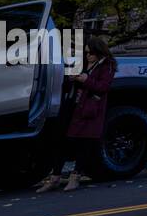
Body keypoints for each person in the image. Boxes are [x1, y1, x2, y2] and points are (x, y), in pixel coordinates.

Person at [35, 35, 116, 192]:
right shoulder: (82, 63)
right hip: (72, 107)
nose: (88, 56)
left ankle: (75, 176)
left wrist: (85, 80)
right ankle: (55, 177)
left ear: (99, 53)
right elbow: (65, 84)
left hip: (88, 110)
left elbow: (103, 87)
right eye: (86, 52)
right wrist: (71, 78)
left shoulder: (107, 66)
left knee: (83, 144)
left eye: (91, 53)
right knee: (61, 141)